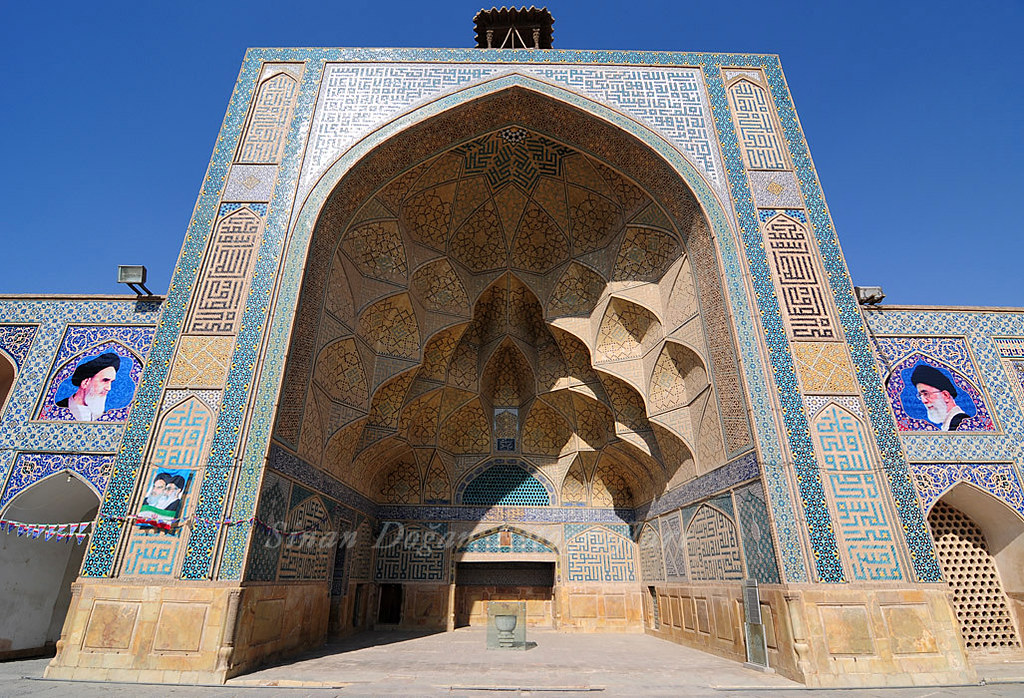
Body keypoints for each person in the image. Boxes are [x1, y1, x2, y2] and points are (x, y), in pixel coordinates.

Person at [56, 352, 120, 421]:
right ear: (85, 382)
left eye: (111, 382)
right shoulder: (57, 410)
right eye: (105, 380)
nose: (108, 388)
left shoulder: (106, 417)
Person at [911, 364, 967, 431]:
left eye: (926, 394)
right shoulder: (948, 425)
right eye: (920, 396)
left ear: (945, 395)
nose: (923, 401)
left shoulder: (961, 423)